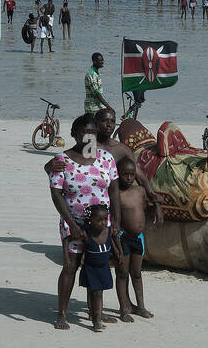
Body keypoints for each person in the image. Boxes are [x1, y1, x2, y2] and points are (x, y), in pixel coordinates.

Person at [48, 115, 120, 329]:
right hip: (73, 224)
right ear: (74, 134)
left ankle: (94, 313)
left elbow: (114, 190)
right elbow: (56, 194)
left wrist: (116, 220)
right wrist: (72, 224)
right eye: (84, 132)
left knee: (96, 265)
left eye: (93, 133)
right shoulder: (62, 160)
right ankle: (61, 313)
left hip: (100, 226)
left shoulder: (106, 158)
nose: (89, 136)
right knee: (70, 267)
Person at [114, 157, 156, 319]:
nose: (129, 178)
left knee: (137, 273)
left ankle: (140, 306)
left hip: (139, 237)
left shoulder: (140, 191)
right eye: (125, 175)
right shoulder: (116, 193)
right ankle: (124, 308)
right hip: (124, 237)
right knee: (122, 273)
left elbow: (146, 208)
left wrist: (155, 208)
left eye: (132, 175)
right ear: (118, 174)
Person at [77, 204, 119, 331]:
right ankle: (97, 320)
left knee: (96, 293)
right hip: (90, 269)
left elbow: (115, 242)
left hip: (103, 268)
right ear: (90, 221)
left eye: (105, 219)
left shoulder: (108, 231)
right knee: (96, 293)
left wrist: (119, 254)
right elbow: (68, 239)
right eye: (99, 220)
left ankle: (95, 315)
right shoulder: (86, 234)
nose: (103, 223)